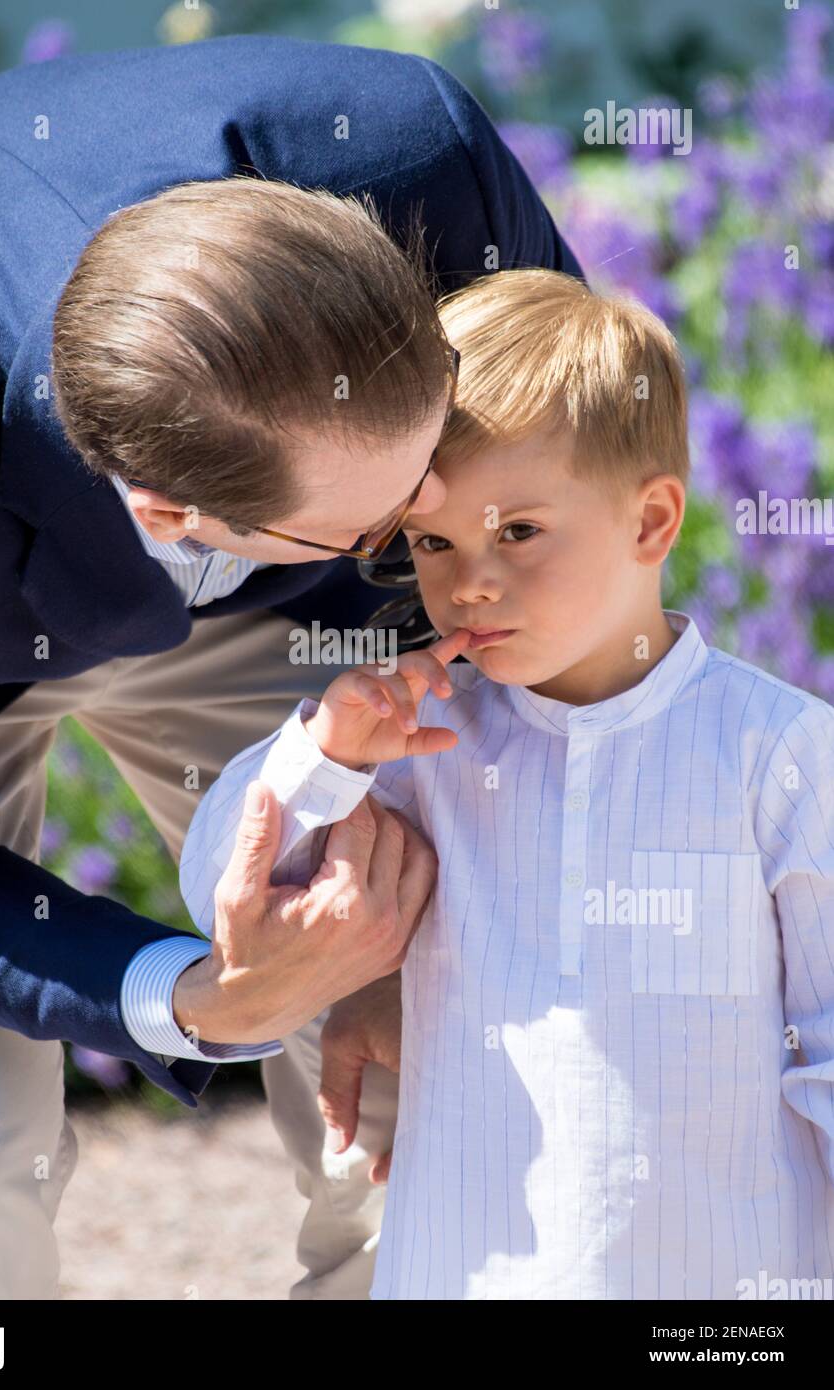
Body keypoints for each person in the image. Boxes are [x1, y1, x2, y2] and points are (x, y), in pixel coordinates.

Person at [0, 36, 581, 1299]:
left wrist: (406, 905)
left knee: (454, 1071)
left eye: (437, 437)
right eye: (385, 518)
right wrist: (213, 997)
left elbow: (569, 534)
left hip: (304, 627)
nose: (437, 516)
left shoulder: (418, 157)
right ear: (172, 511)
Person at [181, 268, 834, 1299]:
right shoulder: (412, 746)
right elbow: (218, 881)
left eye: (518, 531)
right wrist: (326, 753)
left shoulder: (782, 756)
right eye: (433, 542)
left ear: (653, 522)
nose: (468, 579)